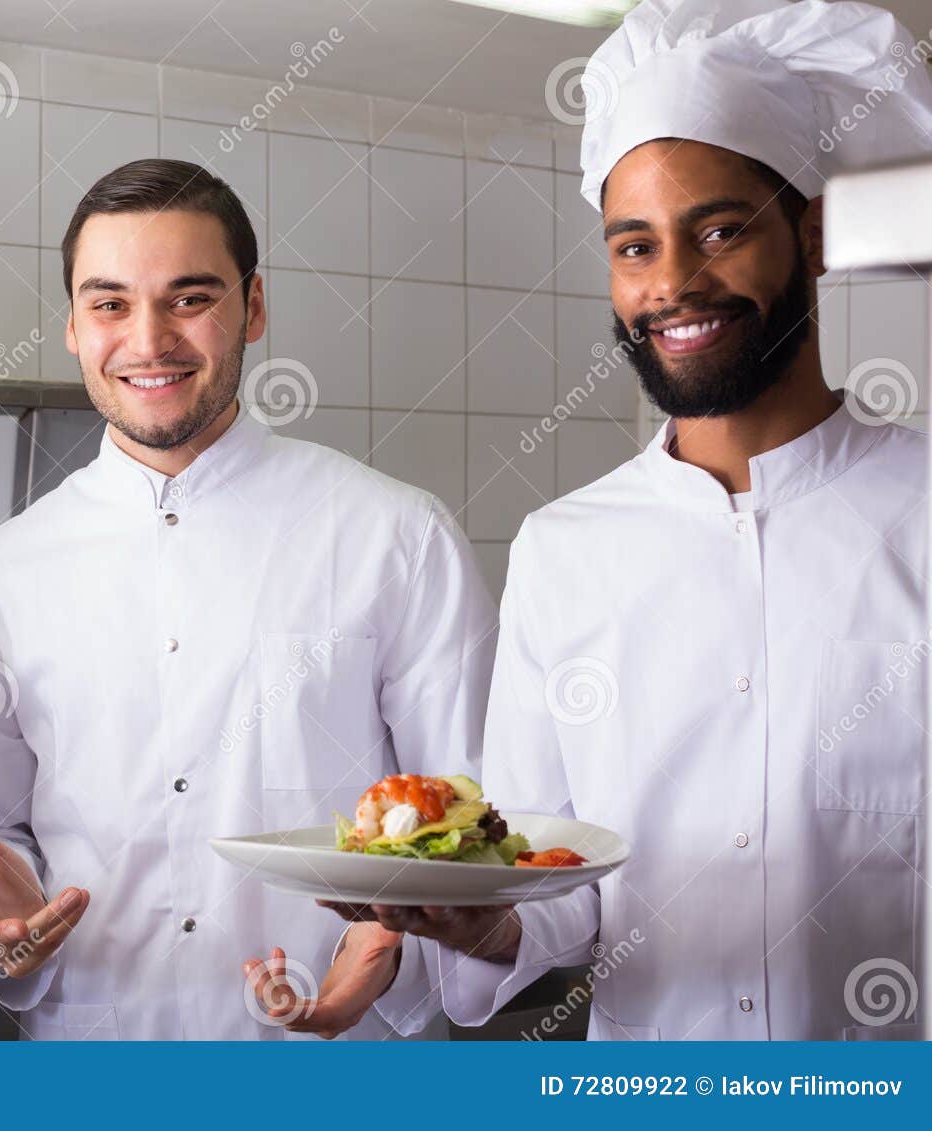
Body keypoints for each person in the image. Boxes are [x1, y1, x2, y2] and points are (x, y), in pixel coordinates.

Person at [324, 0, 932, 1040]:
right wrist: (478, 926)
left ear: (814, 233)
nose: (672, 284)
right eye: (634, 247)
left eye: (719, 229)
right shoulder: (566, 550)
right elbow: (554, 876)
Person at [0, 158, 495, 1040]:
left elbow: (467, 822)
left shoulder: (396, 536)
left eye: (190, 297)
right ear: (75, 329)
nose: (149, 339)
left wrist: (401, 937)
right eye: (110, 303)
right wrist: (11, 939)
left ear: (256, 306)